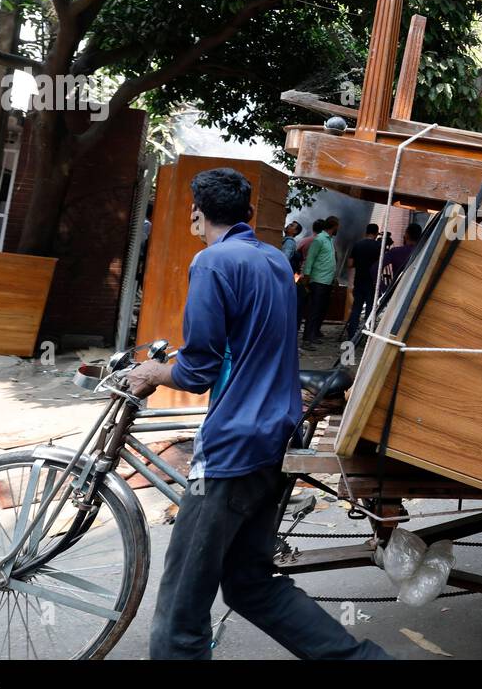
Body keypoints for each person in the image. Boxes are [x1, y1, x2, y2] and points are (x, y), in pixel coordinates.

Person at [126, 168, 388, 660]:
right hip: (278, 435)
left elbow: (198, 368)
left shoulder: (212, 263)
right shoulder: (272, 260)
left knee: (182, 603)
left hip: (233, 447)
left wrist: (150, 374)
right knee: (249, 583)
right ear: (247, 213)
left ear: (197, 213)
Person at [300, 215, 339, 348]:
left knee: (319, 310)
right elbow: (310, 259)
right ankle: (306, 340)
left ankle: (313, 335)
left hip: (326, 281)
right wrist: (307, 276)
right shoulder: (320, 239)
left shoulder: (329, 240)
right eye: (337, 226)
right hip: (318, 280)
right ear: (334, 226)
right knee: (314, 311)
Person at [345, 223, 382, 341]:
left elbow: (350, 264)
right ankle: (366, 336)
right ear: (376, 233)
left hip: (359, 280)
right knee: (370, 309)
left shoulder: (357, 245)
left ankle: (351, 333)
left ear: (366, 232)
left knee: (356, 307)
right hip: (372, 282)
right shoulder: (379, 246)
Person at [381, 222, 422, 290]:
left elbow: (374, 269)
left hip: (397, 290)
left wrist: (385, 289)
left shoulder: (396, 251)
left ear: (407, 235)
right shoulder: (423, 251)